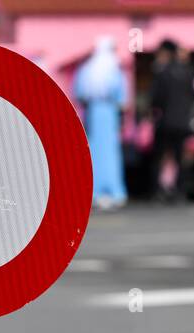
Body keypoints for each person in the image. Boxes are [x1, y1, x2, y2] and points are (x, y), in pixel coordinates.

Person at [74, 36, 127, 210]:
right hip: (109, 113)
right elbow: (122, 97)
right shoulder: (114, 70)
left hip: (92, 113)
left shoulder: (86, 69)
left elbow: (79, 93)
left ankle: (94, 193)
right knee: (111, 154)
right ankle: (114, 192)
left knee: (94, 153)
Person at [149, 39, 194, 201]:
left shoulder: (162, 72)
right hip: (183, 122)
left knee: (160, 157)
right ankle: (180, 191)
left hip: (165, 122)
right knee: (180, 157)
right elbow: (193, 97)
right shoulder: (189, 72)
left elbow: (155, 99)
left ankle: (158, 190)